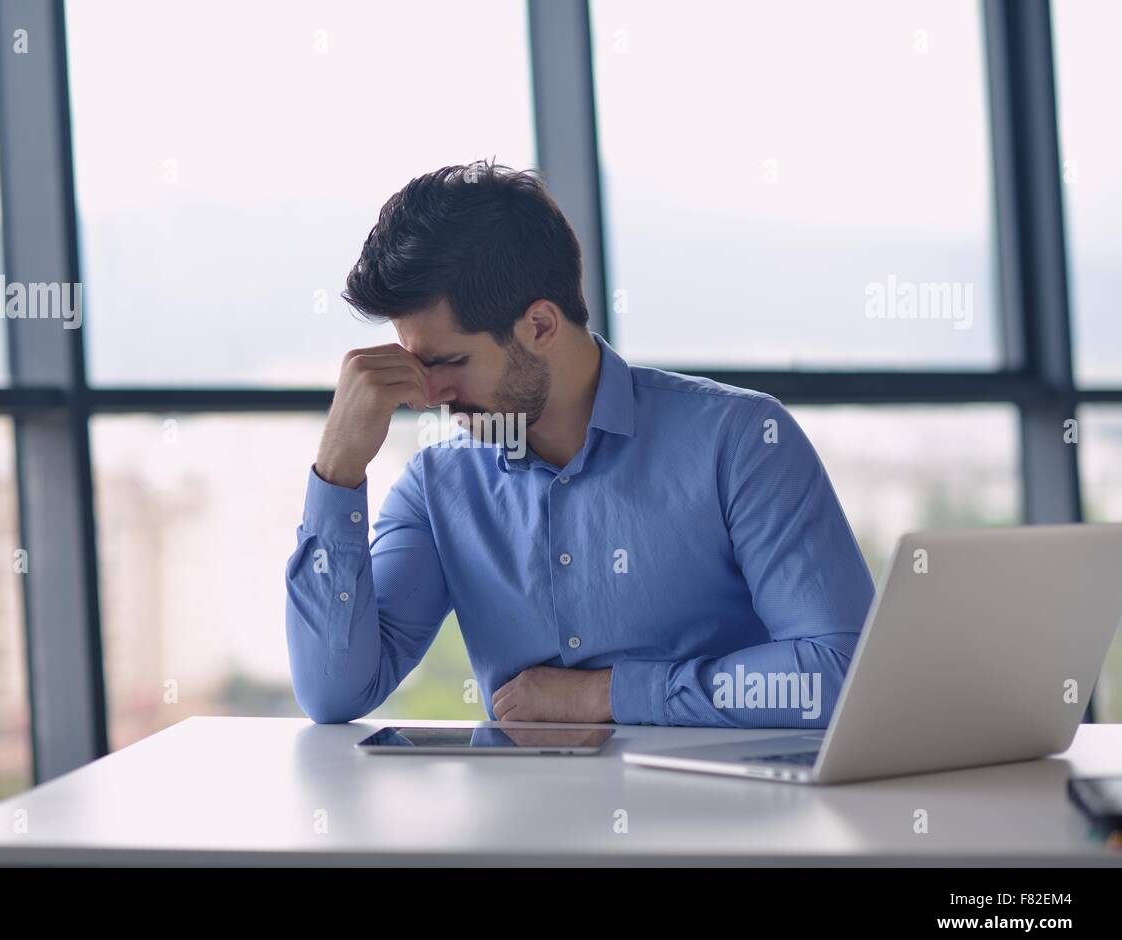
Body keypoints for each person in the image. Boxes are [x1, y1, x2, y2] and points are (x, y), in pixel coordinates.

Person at [285, 161, 874, 727]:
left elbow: (838, 673)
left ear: (539, 325)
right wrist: (337, 469)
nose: (426, 393)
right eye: (417, 363)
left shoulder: (742, 440)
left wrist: (607, 694)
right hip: (526, 827)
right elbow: (335, 693)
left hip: (722, 823)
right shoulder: (437, 487)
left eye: (449, 361)